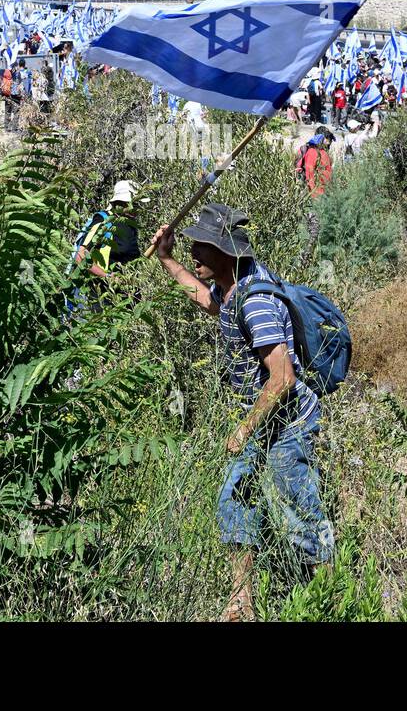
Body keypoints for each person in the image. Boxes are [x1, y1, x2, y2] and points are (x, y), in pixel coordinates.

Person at [150, 204, 333, 622]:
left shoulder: (257, 303)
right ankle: (239, 604)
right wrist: (166, 258)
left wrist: (244, 429)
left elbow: (283, 379)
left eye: (202, 248)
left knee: (301, 514)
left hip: (286, 423)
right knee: (234, 500)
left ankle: (330, 597)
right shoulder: (235, 287)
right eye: (193, 247)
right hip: (263, 420)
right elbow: (206, 301)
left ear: (226, 254)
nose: (195, 254)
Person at [70, 180, 146, 285]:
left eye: (138, 204)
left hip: (128, 292)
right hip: (100, 292)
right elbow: (81, 255)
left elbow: (133, 259)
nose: (137, 208)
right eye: (135, 204)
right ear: (121, 203)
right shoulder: (103, 220)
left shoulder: (130, 225)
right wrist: (107, 277)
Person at [295, 127, 334, 198]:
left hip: (323, 190)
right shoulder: (312, 152)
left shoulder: (322, 152)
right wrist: (314, 194)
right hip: (316, 192)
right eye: (328, 137)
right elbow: (310, 174)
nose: (330, 141)